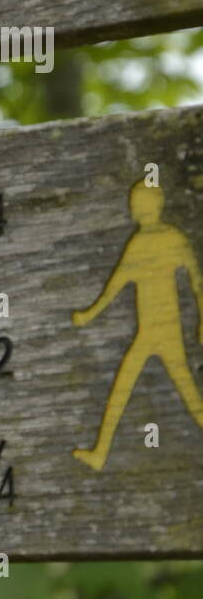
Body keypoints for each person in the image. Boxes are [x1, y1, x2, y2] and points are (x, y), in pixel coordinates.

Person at [71, 181, 203, 470]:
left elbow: (197, 281)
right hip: (149, 333)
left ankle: (100, 453)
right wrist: (88, 315)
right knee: (124, 386)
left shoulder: (168, 238)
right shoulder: (143, 243)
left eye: (139, 203)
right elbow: (113, 287)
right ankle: (100, 454)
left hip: (166, 331)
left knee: (188, 394)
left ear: (151, 205)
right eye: (135, 204)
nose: (136, 209)